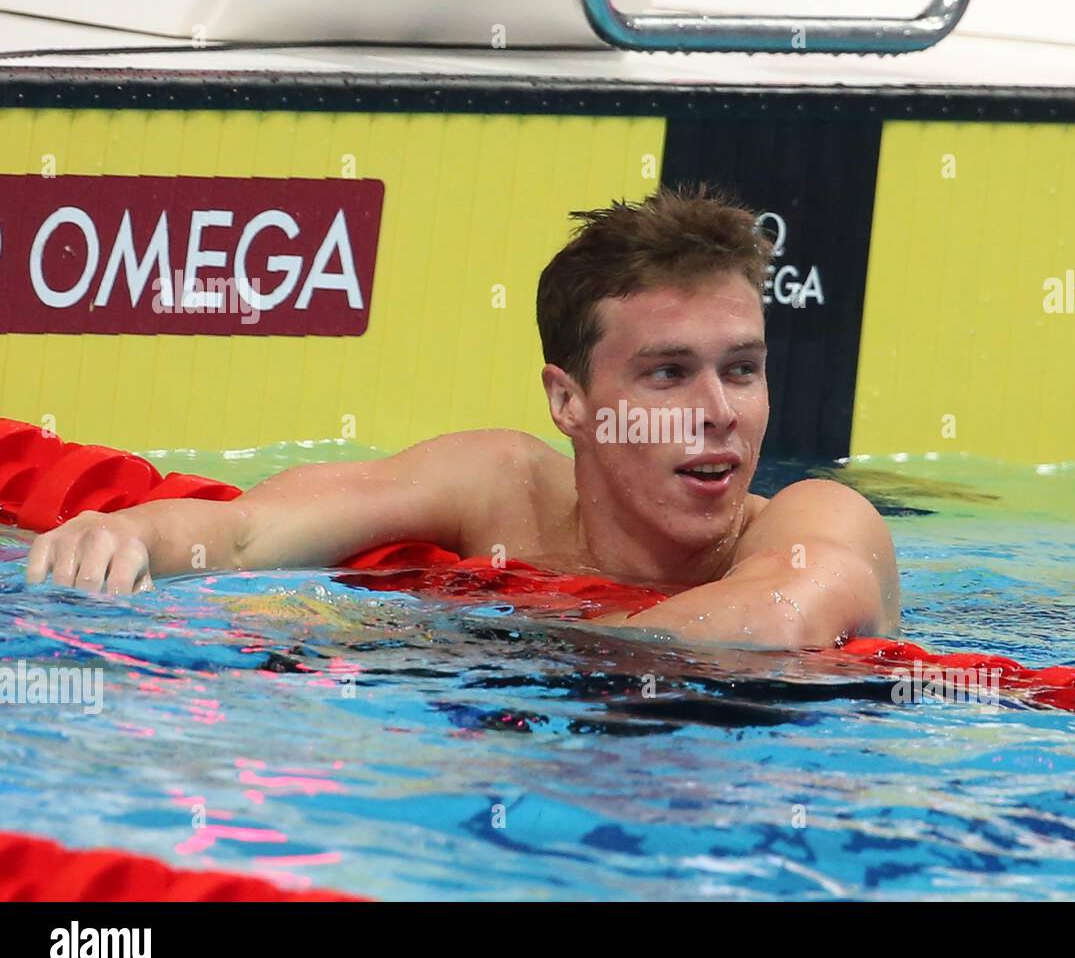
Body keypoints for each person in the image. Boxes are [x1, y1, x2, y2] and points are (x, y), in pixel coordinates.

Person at [25, 185, 899, 648]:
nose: (718, 414)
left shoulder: (813, 520)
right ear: (569, 401)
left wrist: (460, 636)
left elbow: (778, 618)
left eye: (741, 370)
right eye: (668, 374)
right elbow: (249, 532)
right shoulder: (500, 489)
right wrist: (126, 532)